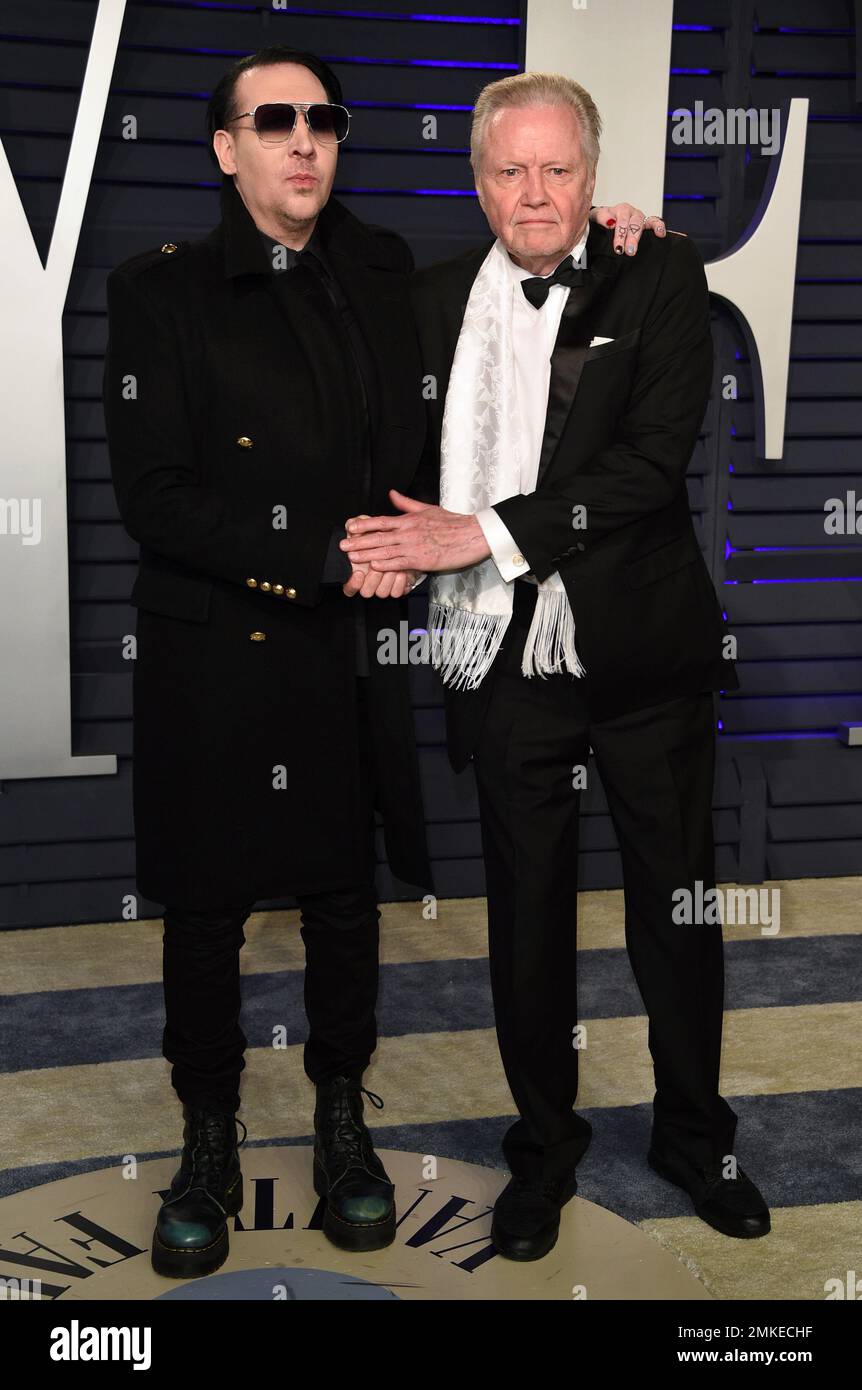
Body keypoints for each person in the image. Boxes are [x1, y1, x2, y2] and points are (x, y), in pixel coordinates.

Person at [103, 45, 649, 1277]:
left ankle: (343, 1119)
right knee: (206, 908)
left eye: (324, 120)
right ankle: (205, 1136)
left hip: (346, 647)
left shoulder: (385, 269)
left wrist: (613, 231)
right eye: (275, 120)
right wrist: (328, 556)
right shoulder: (160, 291)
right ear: (225, 147)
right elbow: (157, 498)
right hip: (218, 646)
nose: (305, 140)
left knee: (348, 899)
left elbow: (522, 287)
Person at [342, 71, 770, 1262]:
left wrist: (475, 534)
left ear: (595, 174)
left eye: (557, 169)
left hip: (641, 654)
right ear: (476, 179)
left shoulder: (662, 273)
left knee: (673, 914)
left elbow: (645, 468)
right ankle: (543, 1147)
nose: (533, 194)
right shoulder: (429, 300)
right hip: (502, 658)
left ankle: (695, 1135)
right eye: (507, 170)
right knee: (524, 919)